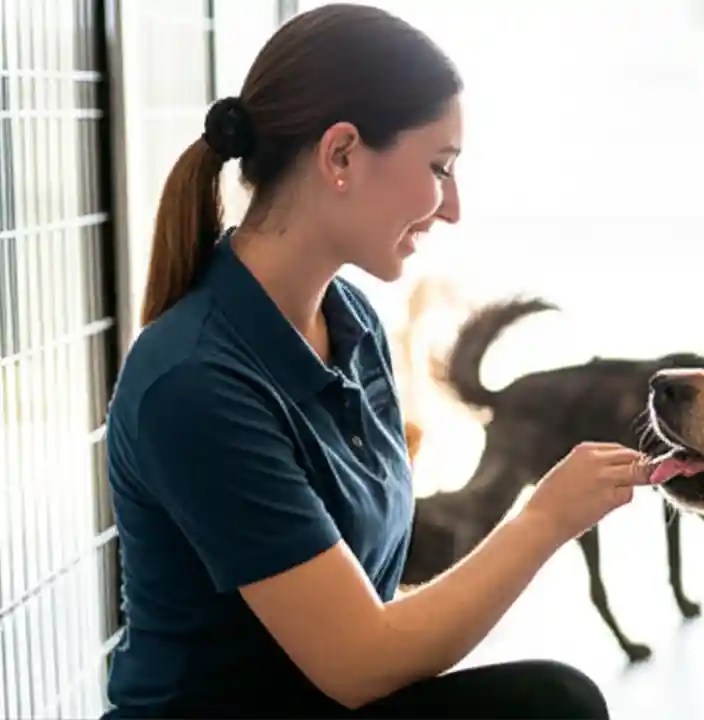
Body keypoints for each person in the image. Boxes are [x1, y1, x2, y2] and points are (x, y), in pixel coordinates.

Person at [103, 4, 652, 718]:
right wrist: (544, 517)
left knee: (550, 698)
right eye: (439, 167)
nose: (451, 206)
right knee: (554, 704)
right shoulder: (195, 383)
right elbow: (362, 662)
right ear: (341, 156)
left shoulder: (353, 324)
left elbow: (371, 603)